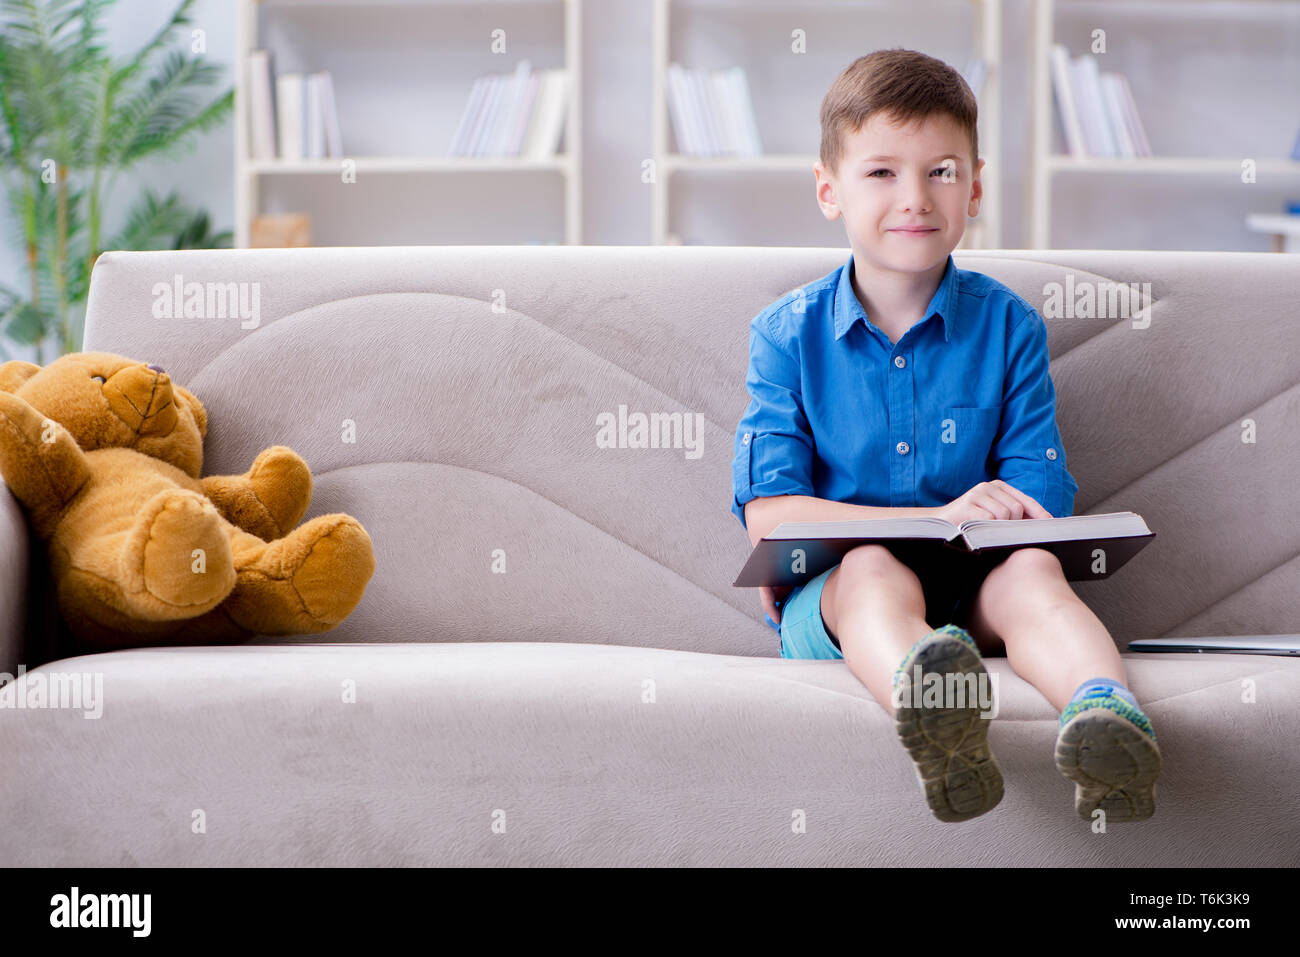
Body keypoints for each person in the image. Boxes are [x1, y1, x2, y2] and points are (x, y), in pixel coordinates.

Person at [729, 49, 1160, 824]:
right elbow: (770, 515)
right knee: (868, 569)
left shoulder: (1009, 326)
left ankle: (1106, 715)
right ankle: (937, 709)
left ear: (976, 187)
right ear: (829, 190)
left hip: (979, 584)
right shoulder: (785, 335)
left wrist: (997, 517)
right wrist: (938, 517)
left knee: (1032, 570)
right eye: (882, 172)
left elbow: (1039, 499)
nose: (915, 198)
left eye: (942, 171)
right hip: (842, 598)